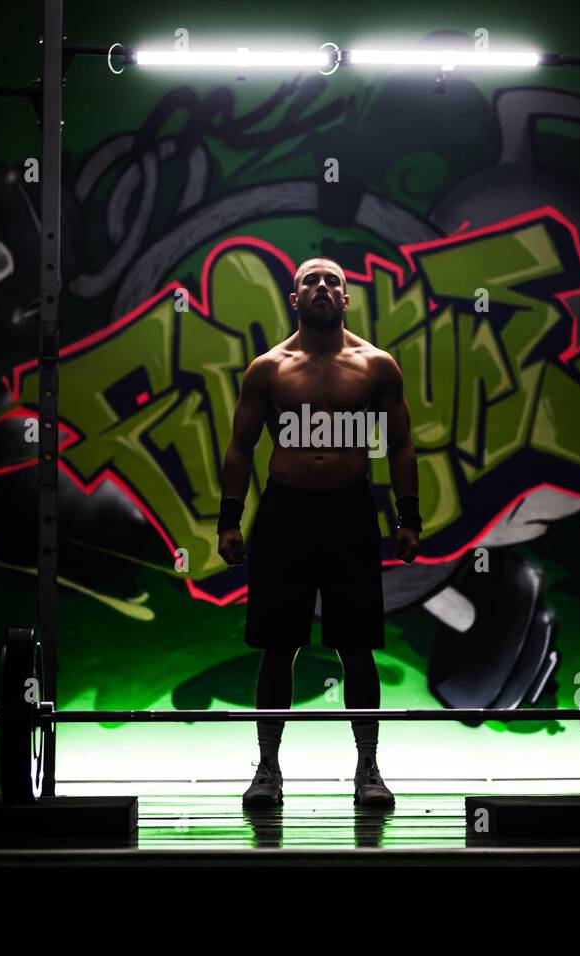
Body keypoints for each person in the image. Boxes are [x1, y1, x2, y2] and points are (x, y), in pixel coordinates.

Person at [217, 257, 420, 808]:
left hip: (350, 513)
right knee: (278, 647)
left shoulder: (377, 366)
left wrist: (409, 518)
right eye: (312, 280)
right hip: (286, 516)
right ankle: (267, 771)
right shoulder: (268, 369)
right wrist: (229, 521)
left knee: (357, 648)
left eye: (333, 281)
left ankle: (369, 771)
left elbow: (401, 446)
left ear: (347, 298)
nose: (323, 287)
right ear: (295, 297)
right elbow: (241, 448)